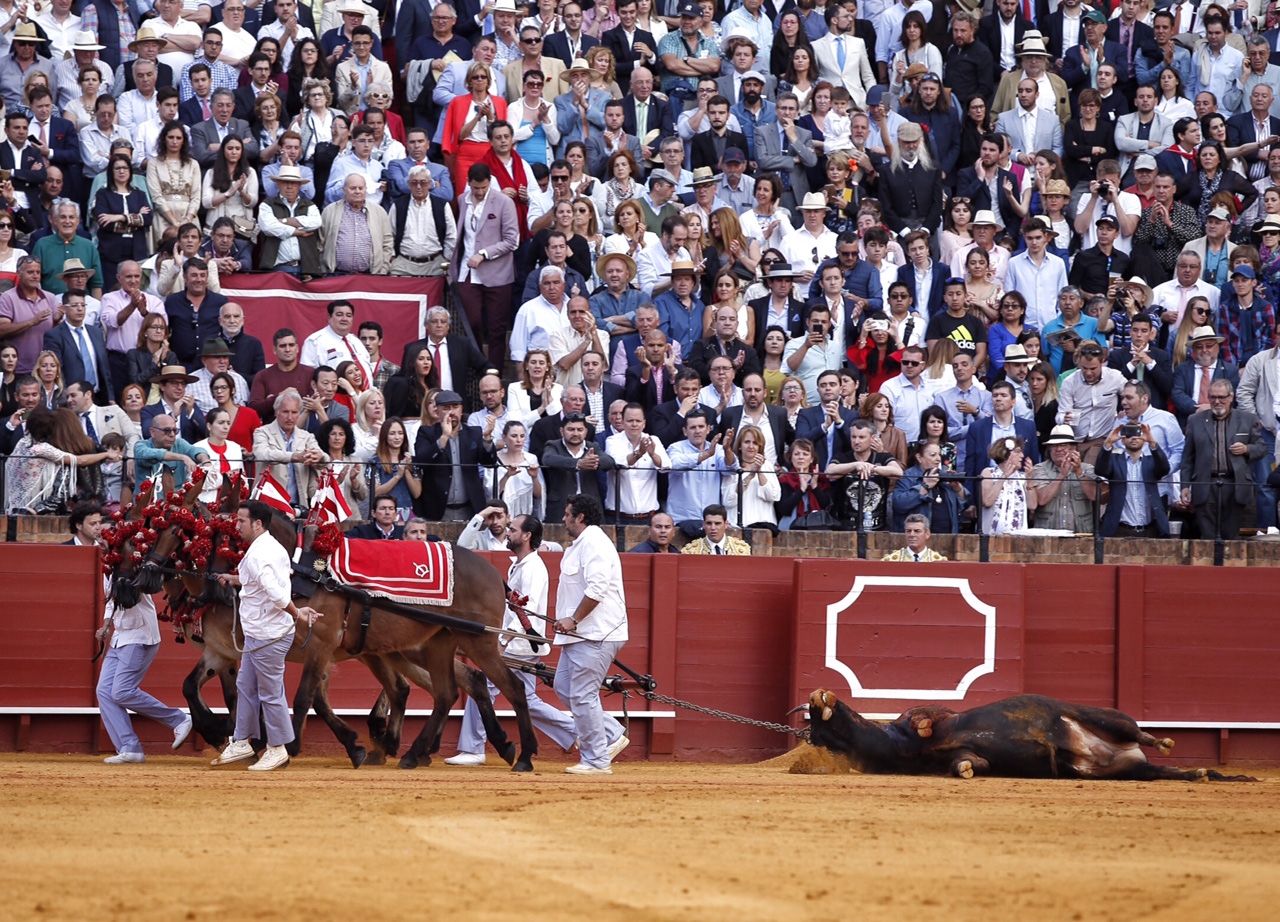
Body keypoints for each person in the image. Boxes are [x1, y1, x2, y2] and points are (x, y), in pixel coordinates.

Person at [211, 501, 322, 772]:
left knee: (270, 693)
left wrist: (297, 613)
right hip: (260, 631)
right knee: (247, 687)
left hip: (268, 633)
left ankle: (278, 748)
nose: (237, 526)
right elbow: (262, 582)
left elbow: (275, 593)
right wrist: (237, 579)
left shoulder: (261, 553)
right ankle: (241, 741)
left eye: (241, 521)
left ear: (257, 524)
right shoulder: (267, 547)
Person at [554, 492, 630, 775]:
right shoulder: (581, 544)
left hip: (597, 633)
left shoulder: (594, 543)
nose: (563, 519)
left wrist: (573, 619)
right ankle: (609, 734)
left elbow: (597, 589)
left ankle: (597, 760)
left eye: (567, 514)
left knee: (583, 695)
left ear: (580, 517)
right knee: (564, 687)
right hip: (580, 634)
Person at [95, 569, 193, 764]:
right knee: (104, 691)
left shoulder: (135, 564)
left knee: (121, 691)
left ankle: (178, 719)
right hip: (119, 637)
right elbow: (111, 601)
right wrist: (107, 625)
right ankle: (129, 748)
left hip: (139, 637)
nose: (100, 539)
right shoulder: (109, 568)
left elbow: (132, 595)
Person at [1180, 379, 1265, 541]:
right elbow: (1187, 457)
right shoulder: (1195, 421)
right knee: (1207, 537)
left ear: (1231, 397)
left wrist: (1247, 449)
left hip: (1235, 484)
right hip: (1205, 484)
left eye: (1221, 397)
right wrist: (1185, 486)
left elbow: (1262, 448)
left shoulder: (1247, 419)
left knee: (1231, 537)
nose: (1217, 402)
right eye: (1212, 397)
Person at [1095, 421, 1171, 538]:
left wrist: (1152, 441)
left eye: (1138, 434)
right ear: (1123, 439)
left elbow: (1164, 469)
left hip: (1150, 528)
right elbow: (1100, 470)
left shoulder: (1151, 461)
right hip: (1120, 528)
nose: (1134, 438)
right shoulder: (1115, 461)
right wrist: (1108, 443)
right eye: (1129, 434)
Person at [1029, 425, 1099, 533]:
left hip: (1080, 534)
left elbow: (1095, 496)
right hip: (1047, 534)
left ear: (1074, 448)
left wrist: (1079, 472)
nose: (1058, 449)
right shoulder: (1039, 468)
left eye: (1063, 445)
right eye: (1054, 445)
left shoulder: (1087, 469)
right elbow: (1042, 499)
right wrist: (1061, 475)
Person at [881, 513, 948, 561]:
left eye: (917, 531)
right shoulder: (891, 561)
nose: (912, 535)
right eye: (908, 531)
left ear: (927, 534)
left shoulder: (939, 562)